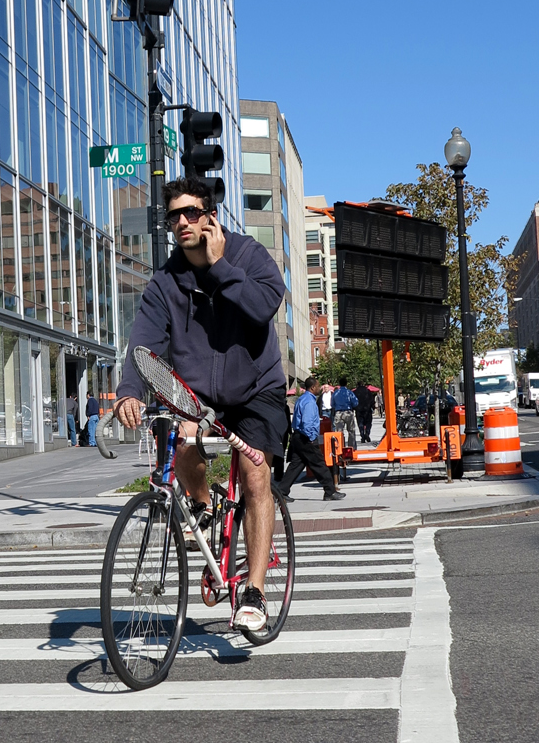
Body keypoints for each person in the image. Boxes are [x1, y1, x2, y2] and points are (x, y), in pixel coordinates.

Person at [114, 176, 288, 635]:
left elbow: (265, 305)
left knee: (254, 474)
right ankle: (203, 503)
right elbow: (145, 345)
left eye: (192, 212)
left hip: (256, 388)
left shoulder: (248, 255)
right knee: (181, 445)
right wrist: (128, 391)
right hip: (197, 395)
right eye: (175, 215)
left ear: (211, 215)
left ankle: (253, 590)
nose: (183, 222)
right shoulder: (164, 284)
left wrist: (218, 265)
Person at [282, 375, 346, 501]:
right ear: (312, 388)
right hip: (306, 438)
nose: (320, 388)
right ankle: (330, 491)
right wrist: (311, 438)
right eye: (318, 386)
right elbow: (307, 422)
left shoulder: (302, 399)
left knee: (296, 465)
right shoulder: (310, 402)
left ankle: (281, 491)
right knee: (319, 464)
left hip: (298, 436)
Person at [331, 379, 360, 453]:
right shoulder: (349, 393)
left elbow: (332, 404)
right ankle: (352, 447)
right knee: (351, 431)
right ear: (346, 384)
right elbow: (356, 402)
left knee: (339, 431)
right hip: (348, 412)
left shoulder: (335, 393)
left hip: (339, 413)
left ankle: (340, 448)